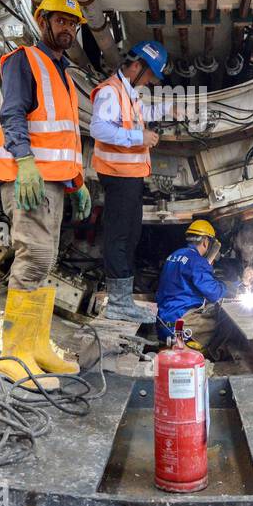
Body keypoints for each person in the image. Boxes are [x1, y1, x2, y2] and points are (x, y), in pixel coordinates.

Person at [0, 0, 93, 389]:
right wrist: (25, 162)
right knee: (33, 259)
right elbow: (12, 112)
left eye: (73, 23)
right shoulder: (24, 60)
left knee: (44, 262)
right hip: (28, 180)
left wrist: (79, 182)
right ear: (43, 21)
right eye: (61, 21)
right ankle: (13, 355)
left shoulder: (63, 73)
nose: (68, 28)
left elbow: (66, 136)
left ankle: (37, 348)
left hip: (53, 182)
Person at [89, 39, 169, 323]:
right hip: (118, 176)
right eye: (148, 75)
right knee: (119, 238)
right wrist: (140, 138)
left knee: (130, 235)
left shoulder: (128, 93)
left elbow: (137, 117)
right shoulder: (111, 92)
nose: (149, 81)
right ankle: (119, 303)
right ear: (136, 66)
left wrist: (167, 110)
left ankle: (124, 299)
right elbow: (98, 128)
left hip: (131, 177)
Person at [154, 219, 253, 351]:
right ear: (205, 241)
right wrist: (234, 289)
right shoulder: (197, 261)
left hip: (163, 323)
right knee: (228, 319)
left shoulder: (174, 255)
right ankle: (214, 353)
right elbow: (214, 292)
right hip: (182, 324)